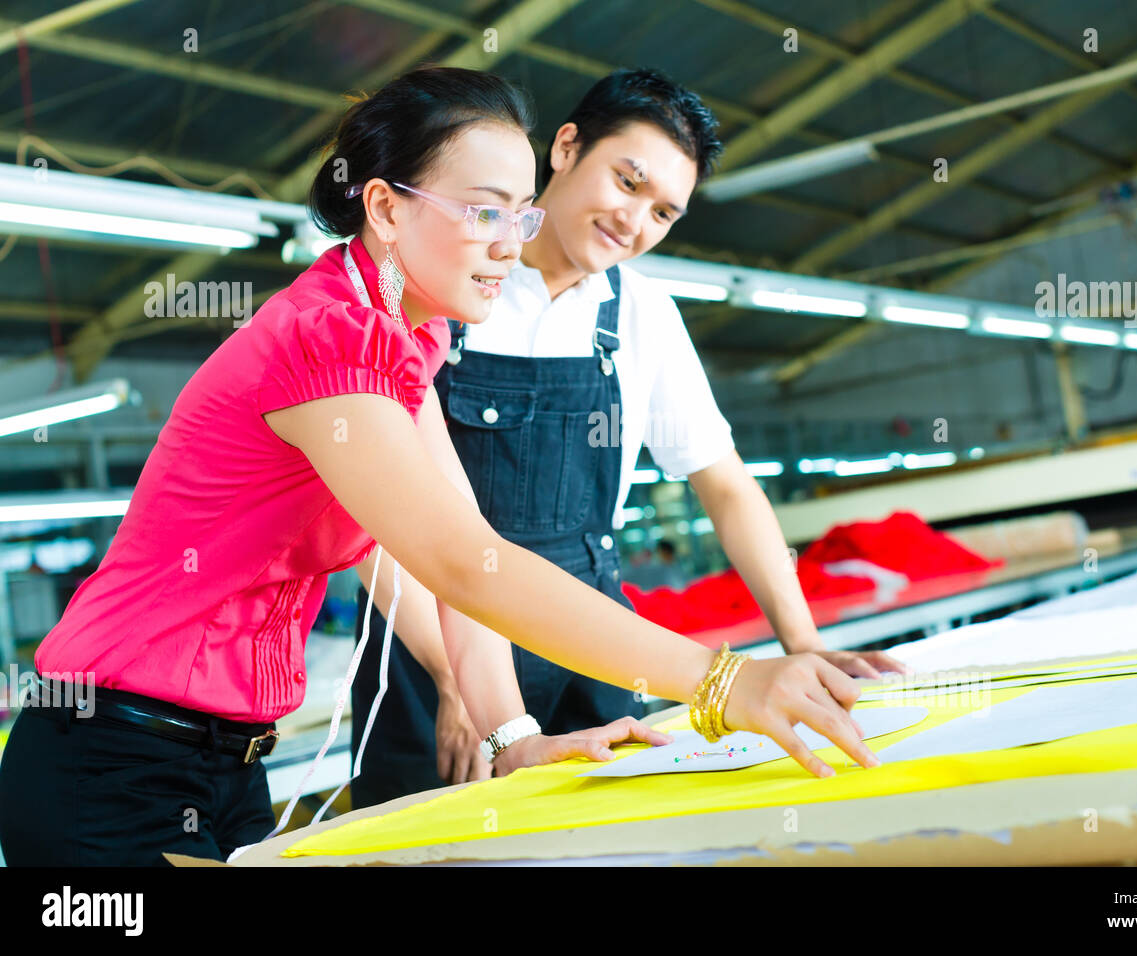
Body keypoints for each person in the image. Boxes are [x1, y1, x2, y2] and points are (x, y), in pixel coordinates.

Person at [0, 66, 880, 867]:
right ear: (384, 208)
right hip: (110, 761)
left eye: (520, 213)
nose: (510, 243)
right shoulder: (327, 339)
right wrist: (726, 679)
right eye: (484, 210)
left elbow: (472, 565)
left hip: (227, 762)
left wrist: (511, 736)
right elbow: (459, 562)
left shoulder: (405, 339)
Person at [349, 68, 908, 809]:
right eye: (627, 180)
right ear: (567, 147)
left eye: (663, 211)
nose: (633, 219)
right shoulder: (437, 288)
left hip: (590, 641)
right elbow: (376, 522)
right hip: (429, 651)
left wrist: (801, 644)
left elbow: (728, 486)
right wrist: (457, 685)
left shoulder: (642, 315)